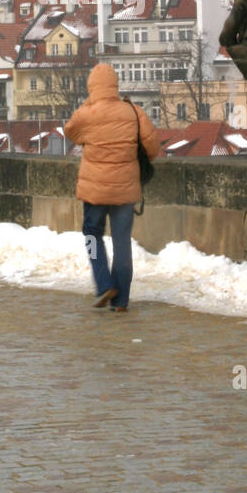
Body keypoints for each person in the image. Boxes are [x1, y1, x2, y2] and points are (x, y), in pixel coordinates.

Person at [65, 63, 160, 313]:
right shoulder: (133, 111)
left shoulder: (87, 114)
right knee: (121, 243)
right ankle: (121, 301)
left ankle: (104, 283)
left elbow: (70, 132)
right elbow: (153, 149)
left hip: (95, 191)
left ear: (92, 87)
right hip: (125, 191)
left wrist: (89, 103)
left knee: (92, 235)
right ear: (115, 86)